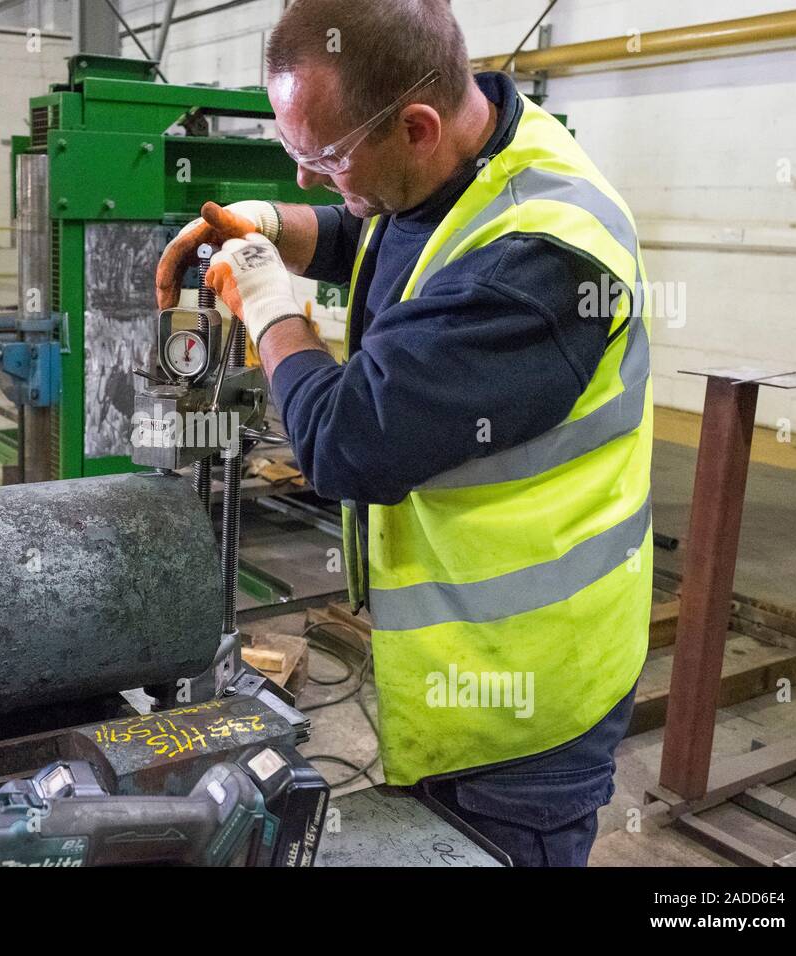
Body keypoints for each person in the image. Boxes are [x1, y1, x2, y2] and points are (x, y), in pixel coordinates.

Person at [155, 0, 652, 866]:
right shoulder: (475, 150)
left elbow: (349, 441)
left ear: (417, 125)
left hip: (525, 698)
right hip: (461, 665)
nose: (308, 180)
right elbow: (383, 229)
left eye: (324, 157)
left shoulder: (539, 259)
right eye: (295, 157)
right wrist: (268, 224)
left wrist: (268, 302)